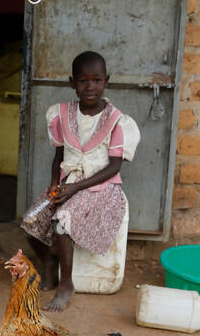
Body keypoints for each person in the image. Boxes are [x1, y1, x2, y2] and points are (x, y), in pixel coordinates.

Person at [21, 51, 140, 311]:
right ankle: (49, 264)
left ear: (106, 81)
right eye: (83, 81)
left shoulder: (117, 121)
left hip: (101, 188)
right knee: (31, 219)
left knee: (63, 223)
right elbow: (59, 155)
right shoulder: (62, 115)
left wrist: (76, 187)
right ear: (72, 82)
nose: (90, 87)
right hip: (68, 184)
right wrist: (55, 182)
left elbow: (114, 167)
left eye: (96, 80)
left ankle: (66, 285)